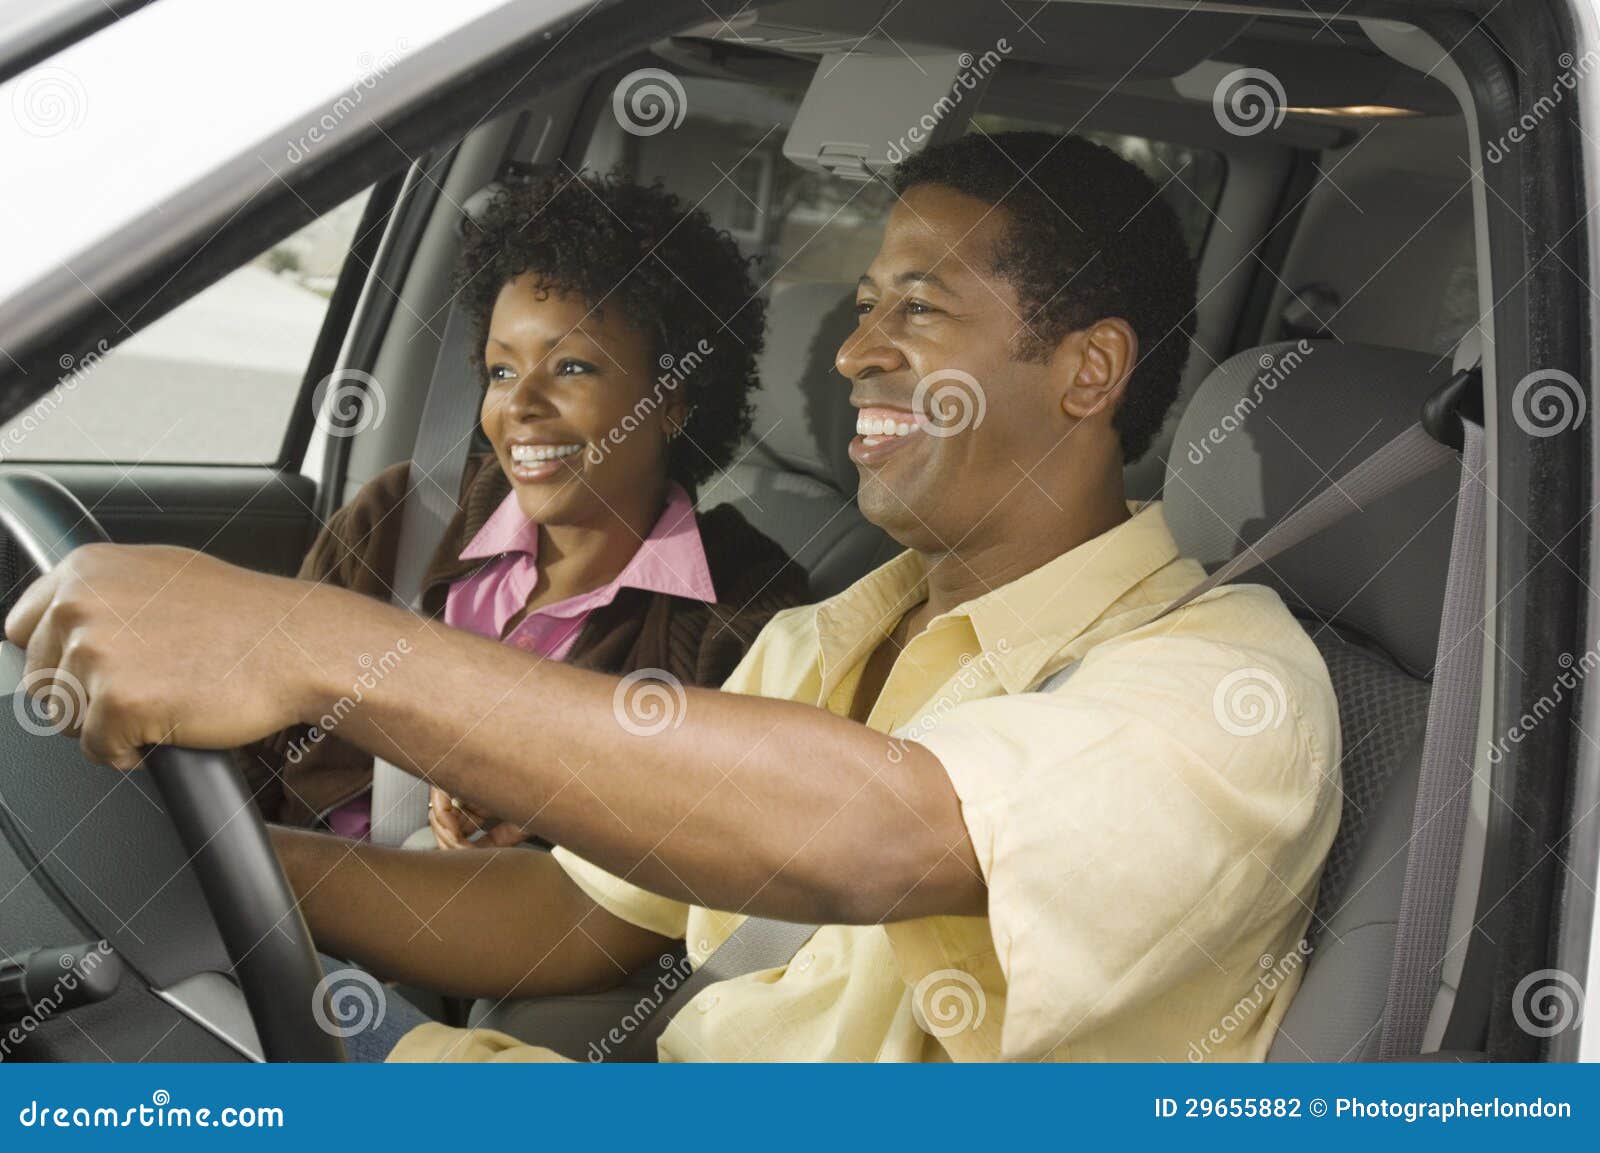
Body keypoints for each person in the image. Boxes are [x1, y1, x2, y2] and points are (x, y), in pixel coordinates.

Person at [7, 132, 1341, 1061]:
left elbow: (885, 827)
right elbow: (576, 912)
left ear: (1089, 371)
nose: (855, 346)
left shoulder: (1231, 686)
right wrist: (191, 867)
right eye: (863, 304)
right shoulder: (840, 634)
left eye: (917, 313)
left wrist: (310, 642)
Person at [238, 169, 810, 847]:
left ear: (674, 399)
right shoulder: (398, 516)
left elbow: (712, 852)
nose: (520, 405)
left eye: (572, 368)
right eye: (503, 370)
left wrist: (559, 813)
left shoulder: (741, 610)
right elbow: (257, 740)